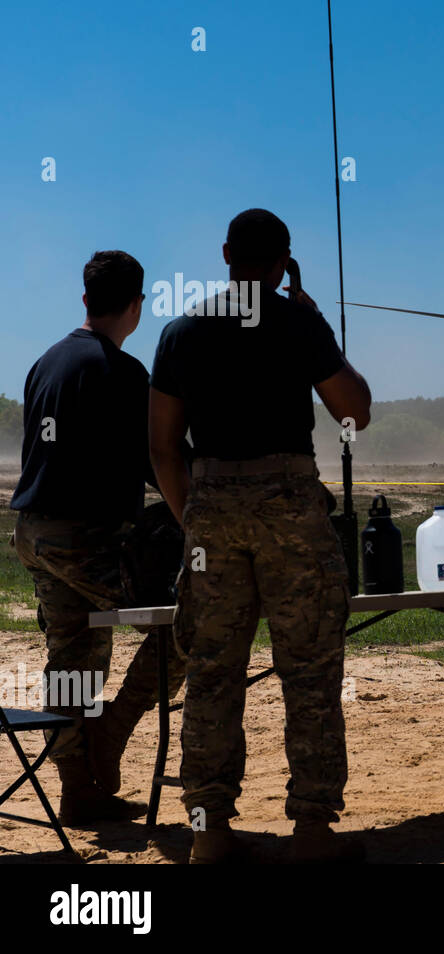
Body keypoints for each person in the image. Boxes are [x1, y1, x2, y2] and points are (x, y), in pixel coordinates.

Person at [149, 209, 372, 863]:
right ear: (284, 261)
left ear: (225, 255)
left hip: (212, 500)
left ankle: (209, 831)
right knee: (309, 672)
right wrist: (309, 315)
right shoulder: (297, 321)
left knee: (213, 672)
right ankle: (310, 830)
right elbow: (355, 410)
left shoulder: (181, 332)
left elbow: (163, 447)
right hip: (289, 499)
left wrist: (195, 515)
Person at [10, 250, 188, 825]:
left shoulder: (46, 362)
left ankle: (77, 788)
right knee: (192, 620)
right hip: (86, 538)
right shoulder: (123, 372)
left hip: (34, 533)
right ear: (137, 306)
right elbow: (155, 460)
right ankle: (117, 724)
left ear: (86, 299)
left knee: (74, 655)